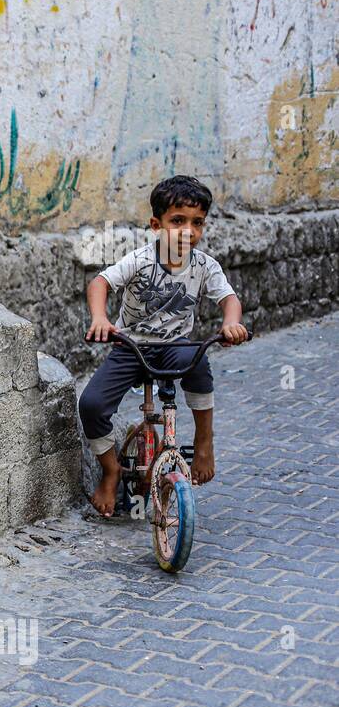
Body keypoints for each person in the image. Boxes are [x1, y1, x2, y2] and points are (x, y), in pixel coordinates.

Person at [79, 175, 250, 517]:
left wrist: (231, 322)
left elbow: (228, 298)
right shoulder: (140, 260)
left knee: (198, 360)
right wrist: (100, 319)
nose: (188, 230)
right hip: (131, 346)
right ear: (156, 225)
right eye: (178, 221)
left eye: (197, 222)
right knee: (92, 404)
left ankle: (204, 439)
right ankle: (111, 471)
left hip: (174, 346)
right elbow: (100, 283)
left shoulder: (204, 266)